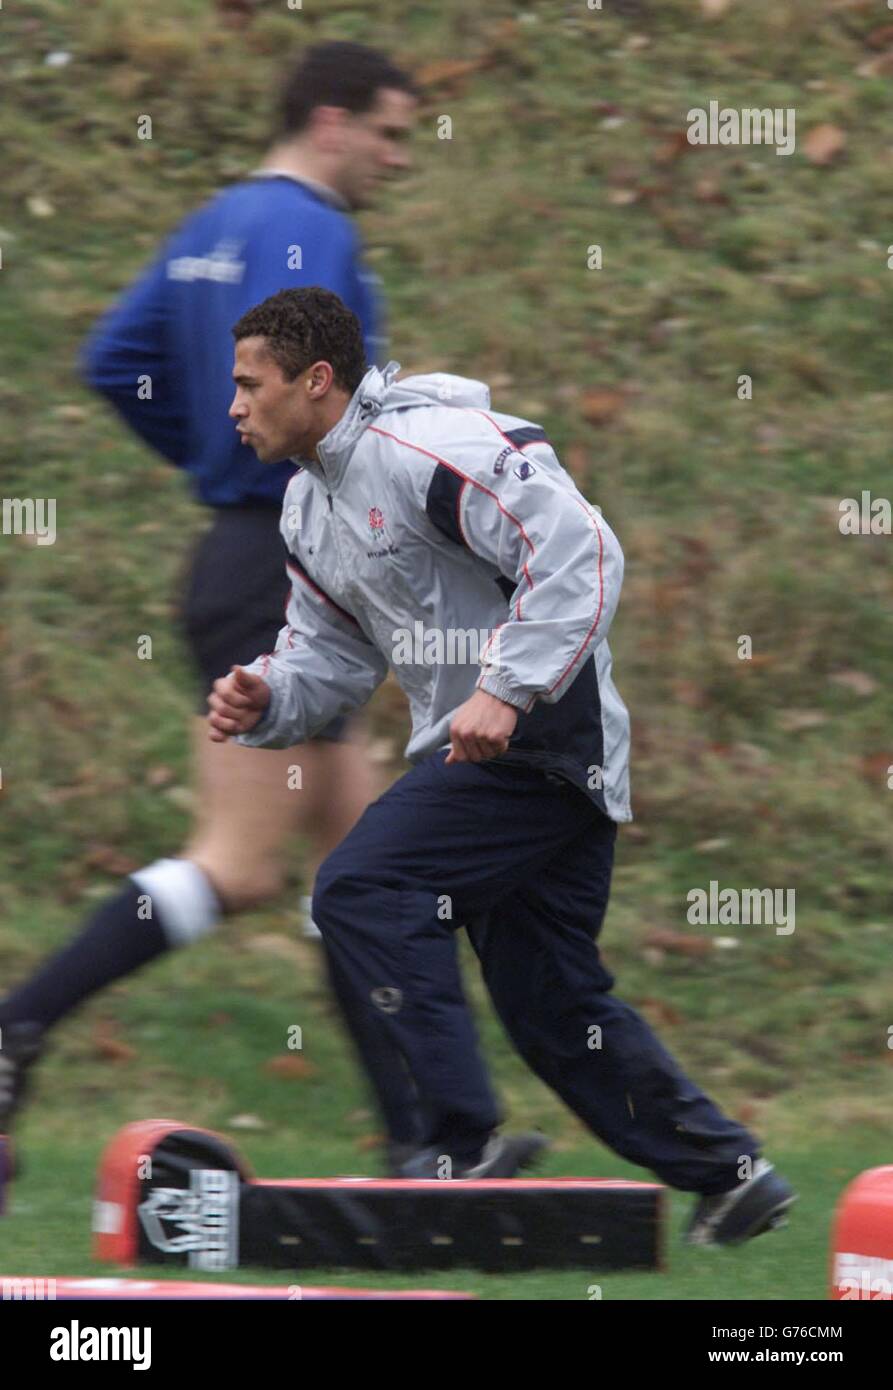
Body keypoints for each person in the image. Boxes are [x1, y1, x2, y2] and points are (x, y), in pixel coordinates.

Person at [206, 284, 797, 1238]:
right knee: (554, 1008)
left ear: (317, 381)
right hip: (495, 744)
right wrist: (273, 697)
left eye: (248, 384)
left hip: (538, 737)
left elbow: (582, 550)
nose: (232, 407)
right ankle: (732, 1175)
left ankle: (457, 1146)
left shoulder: (427, 452)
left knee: (360, 884)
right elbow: (332, 656)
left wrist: (507, 689)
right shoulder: (307, 508)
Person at [0, 44, 427, 1171]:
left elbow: (112, 359)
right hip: (281, 574)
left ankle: (423, 1144)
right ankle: (14, 1028)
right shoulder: (317, 233)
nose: (395, 157)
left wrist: (207, 452)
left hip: (242, 554)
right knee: (238, 865)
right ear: (330, 122)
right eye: (387, 133)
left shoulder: (210, 224)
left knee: (360, 863)